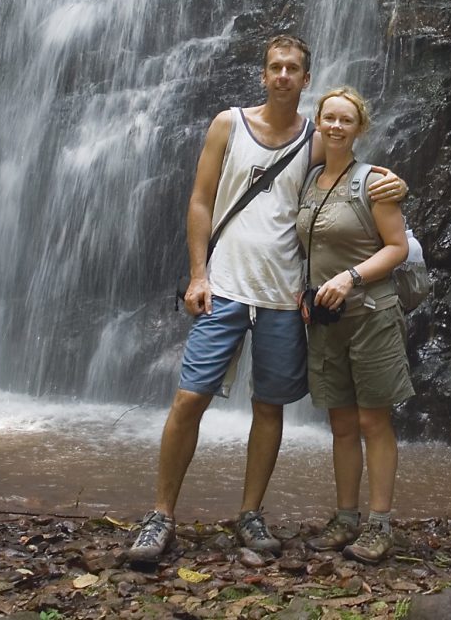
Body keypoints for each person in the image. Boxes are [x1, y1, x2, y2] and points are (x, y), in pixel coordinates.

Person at [124, 36, 405, 565]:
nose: (282, 75)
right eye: (274, 66)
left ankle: (249, 514)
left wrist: (394, 183)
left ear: (305, 78)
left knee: (268, 407)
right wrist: (197, 274)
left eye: (292, 68)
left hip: (280, 297)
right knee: (190, 399)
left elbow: (352, 170)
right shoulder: (227, 124)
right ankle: (161, 515)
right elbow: (201, 200)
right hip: (225, 286)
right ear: (263, 74)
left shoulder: (313, 137)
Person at [297, 87, 413, 564]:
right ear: (318, 123)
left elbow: (397, 247)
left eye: (347, 120)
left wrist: (349, 278)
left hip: (371, 314)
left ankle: (379, 524)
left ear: (359, 128)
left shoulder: (376, 183)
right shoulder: (308, 181)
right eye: (330, 118)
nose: (337, 127)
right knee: (341, 423)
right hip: (327, 321)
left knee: (372, 420)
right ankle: (346, 519)